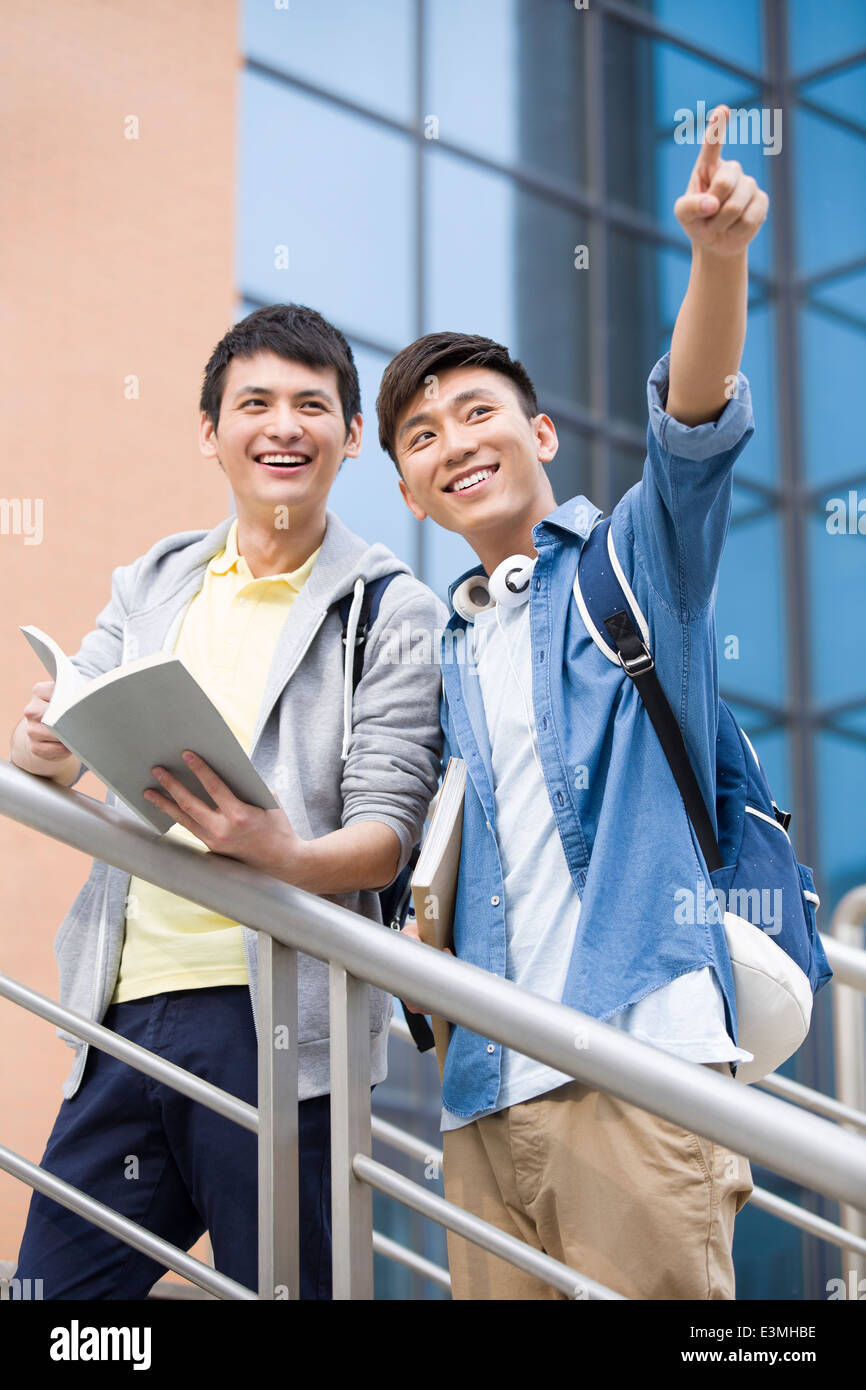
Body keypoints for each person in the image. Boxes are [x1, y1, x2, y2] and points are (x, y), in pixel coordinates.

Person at [378, 106, 765, 1300]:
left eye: (477, 412)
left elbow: (691, 428)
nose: (454, 442)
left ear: (538, 433)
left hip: (636, 1060)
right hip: (484, 1097)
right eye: (421, 434)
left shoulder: (630, 567)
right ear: (407, 485)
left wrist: (714, 258)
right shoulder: (440, 646)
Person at [11, 303, 446, 1300]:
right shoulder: (153, 580)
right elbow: (71, 740)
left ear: (346, 439)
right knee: (52, 1299)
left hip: (282, 1029)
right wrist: (43, 743)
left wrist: (281, 852)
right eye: (254, 403)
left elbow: (387, 835)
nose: (282, 425)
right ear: (210, 433)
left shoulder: (389, 609)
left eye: (311, 405)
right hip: (123, 1014)